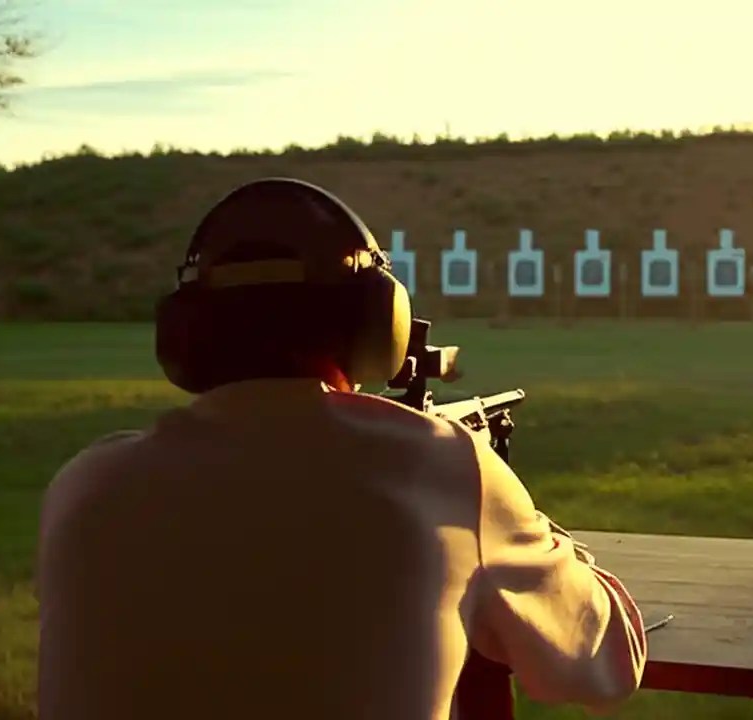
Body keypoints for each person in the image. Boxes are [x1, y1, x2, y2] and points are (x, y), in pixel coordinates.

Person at [36, 178, 648, 720]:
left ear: (186, 332)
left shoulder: (85, 483)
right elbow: (605, 664)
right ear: (379, 320)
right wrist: (530, 525)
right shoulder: (440, 466)